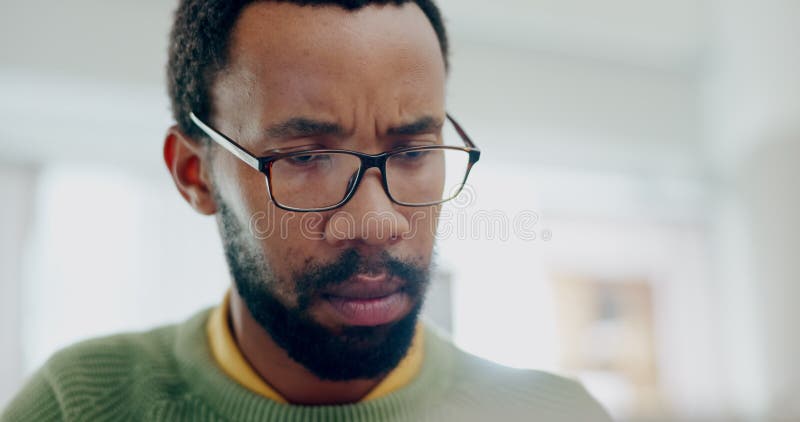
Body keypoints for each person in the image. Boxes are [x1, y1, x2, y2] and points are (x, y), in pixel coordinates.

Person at [1, 1, 611, 420]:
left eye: (413, 150)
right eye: (307, 157)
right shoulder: (81, 405)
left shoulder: (556, 415)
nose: (377, 222)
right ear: (195, 174)